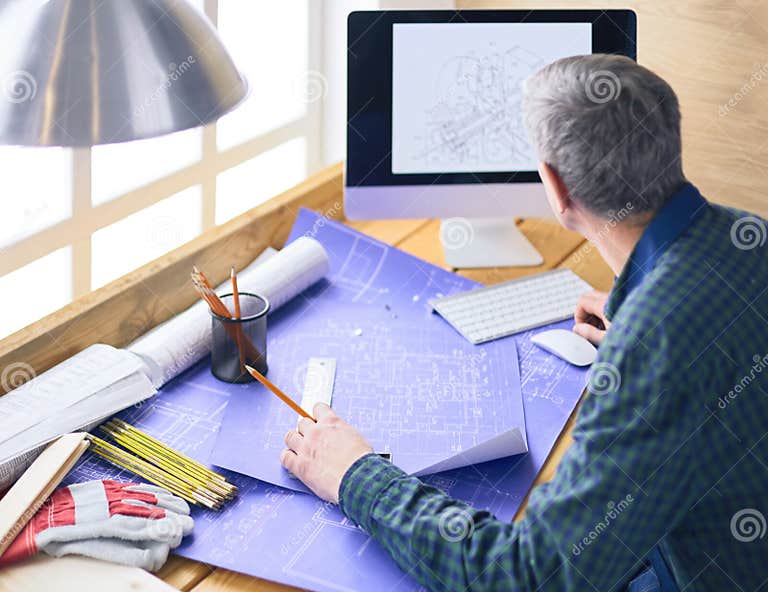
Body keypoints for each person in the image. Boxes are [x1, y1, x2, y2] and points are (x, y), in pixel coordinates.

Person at [280, 54, 768, 591]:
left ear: (556, 191)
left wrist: (356, 476)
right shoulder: (749, 235)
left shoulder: (654, 345)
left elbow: (530, 577)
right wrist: (642, 316)